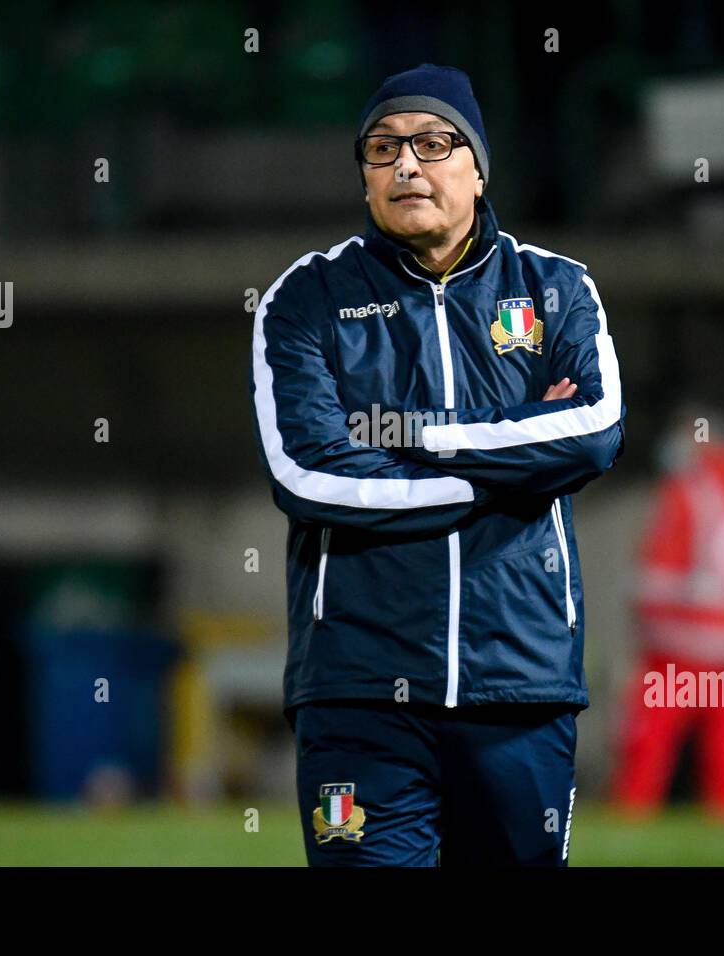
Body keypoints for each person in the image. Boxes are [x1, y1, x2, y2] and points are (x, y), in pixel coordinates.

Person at [248, 63, 625, 865]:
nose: (405, 165)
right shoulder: (305, 299)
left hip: (518, 686)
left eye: (431, 141)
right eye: (381, 149)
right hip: (359, 694)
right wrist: (513, 461)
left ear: (479, 168)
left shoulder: (555, 289)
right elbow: (310, 475)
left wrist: (412, 435)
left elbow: (593, 431)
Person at [610, 407, 724, 818]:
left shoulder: (688, 493)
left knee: (647, 751)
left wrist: (645, 630)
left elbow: (655, 576)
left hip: (681, 649)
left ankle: (630, 828)